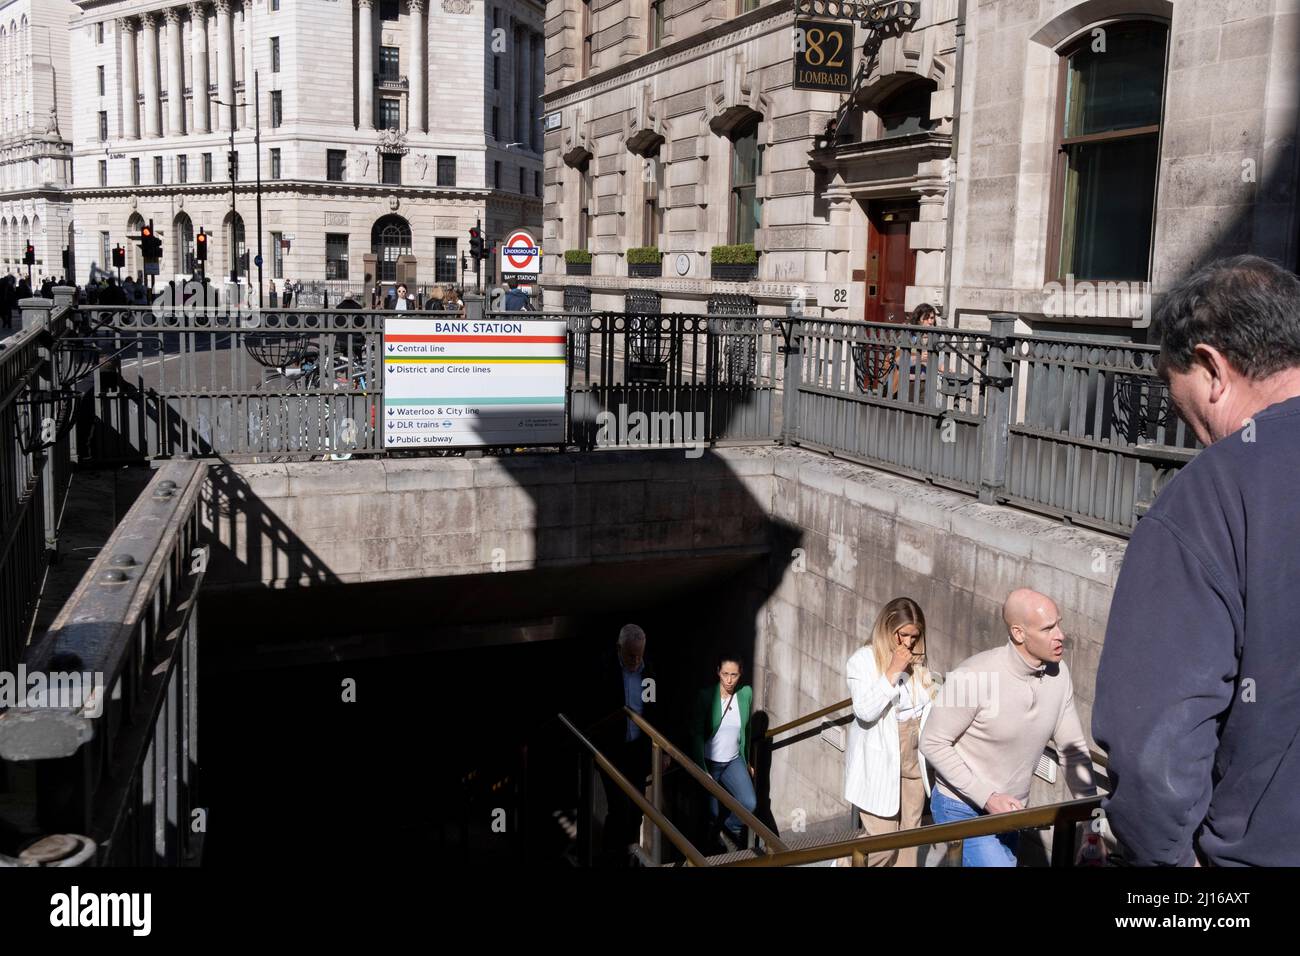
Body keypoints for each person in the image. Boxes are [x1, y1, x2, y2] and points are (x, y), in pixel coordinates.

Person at [1094, 256, 1300, 867]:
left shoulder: (1214, 495)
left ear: (1213, 368)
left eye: (1189, 415)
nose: (1203, 440)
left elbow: (1152, 748)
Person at [920, 588, 1095, 867]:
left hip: (1012, 811)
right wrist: (987, 797)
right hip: (962, 806)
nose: (1060, 634)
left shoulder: (1060, 676)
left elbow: (1072, 751)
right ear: (1019, 633)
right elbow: (931, 742)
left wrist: (1091, 825)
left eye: (1059, 624)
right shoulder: (969, 675)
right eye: (1048, 628)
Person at [845, 597, 938, 866]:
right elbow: (864, 710)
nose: (908, 642)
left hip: (915, 753)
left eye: (914, 636)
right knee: (883, 845)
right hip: (881, 756)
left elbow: (929, 699)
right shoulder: (863, 660)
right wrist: (893, 670)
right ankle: (842, 864)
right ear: (888, 628)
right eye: (903, 635)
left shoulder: (918, 661)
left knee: (909, 838)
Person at [590, 624, 659, 866]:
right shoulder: (604, 669)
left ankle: (630, 856)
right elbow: (592, 709)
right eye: (631, 655)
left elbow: (654, 708)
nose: (636, 659)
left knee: (636, 812)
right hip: (612, 752)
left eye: (640, 654)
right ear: (619, 648)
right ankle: (610, 858)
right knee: (619, 810)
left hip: (637, 752)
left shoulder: (648, 670)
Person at [690, 655, 756, 847]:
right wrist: (702, 770)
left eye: (733, 675)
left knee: (748, 803)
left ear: (740, 674)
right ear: (718, 672)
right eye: (725, 674)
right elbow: (696, 734)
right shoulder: (706, 697)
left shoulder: (745, 694)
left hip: (733, 761)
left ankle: (729, 832)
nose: (729, 680)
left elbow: (747, 730)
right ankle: (709, 850)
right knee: (712, 813)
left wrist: (747, 762)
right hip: (710, 763)